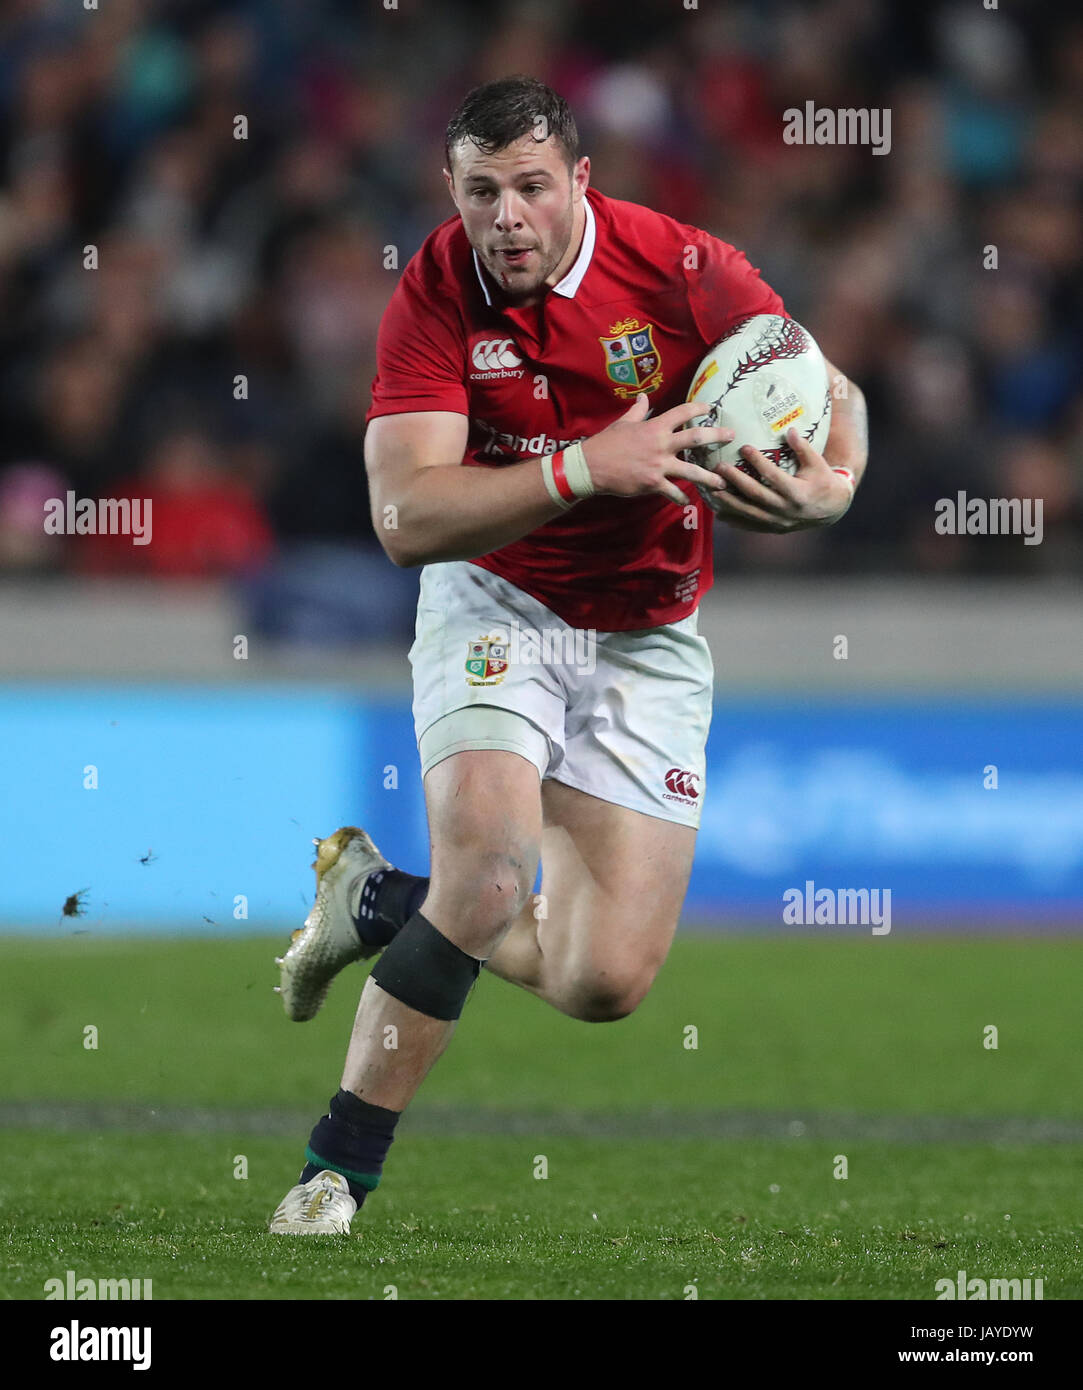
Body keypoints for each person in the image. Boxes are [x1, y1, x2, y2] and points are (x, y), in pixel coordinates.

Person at [268, 75, 868, 1235]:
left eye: (532, 188)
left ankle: (382, 900)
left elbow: (825, 383)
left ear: (579, 184)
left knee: (603, 983)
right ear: (451, 189)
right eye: (481, 190)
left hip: (648, 635)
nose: (507, 218)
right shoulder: (435, 291)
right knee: (492, 876)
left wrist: (831, 492)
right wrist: (586, 466)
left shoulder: (687, 271)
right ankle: (334, 1173)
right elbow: (404, 520)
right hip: (500, 601)